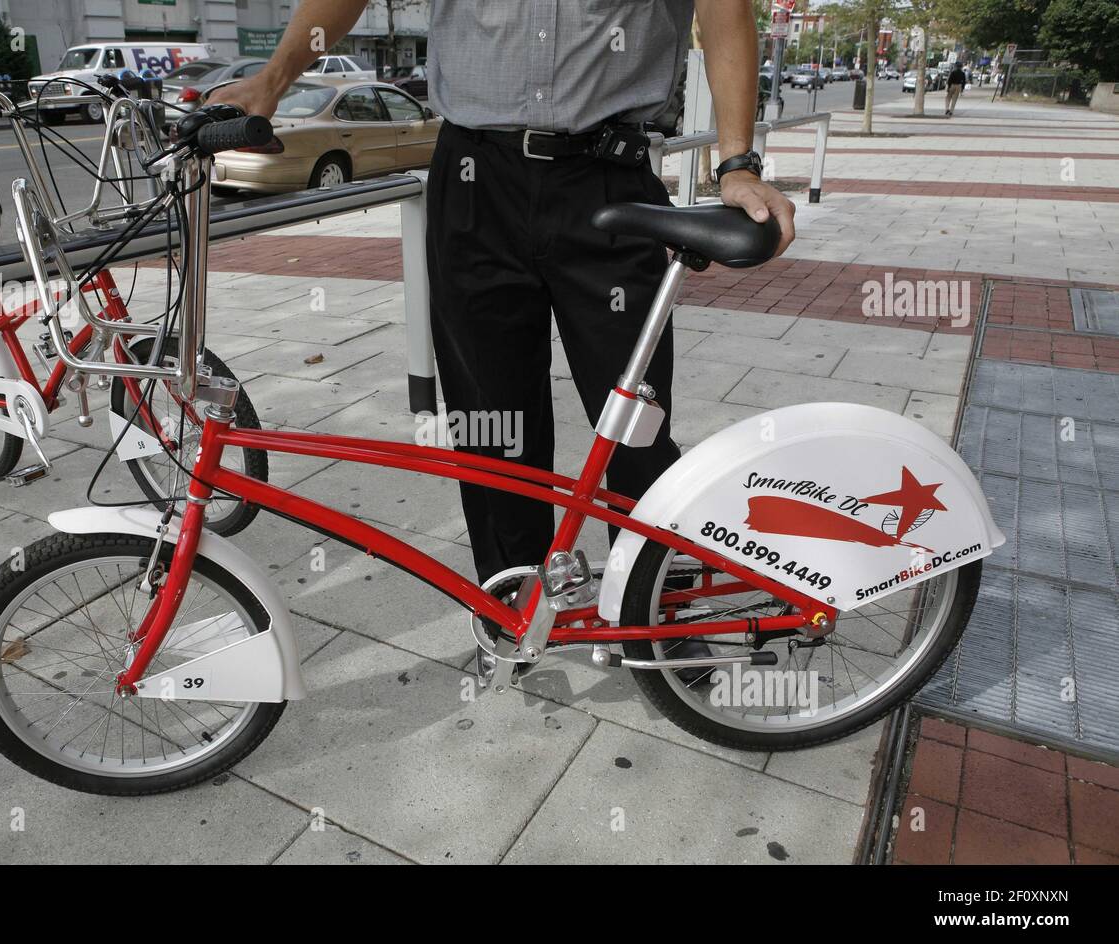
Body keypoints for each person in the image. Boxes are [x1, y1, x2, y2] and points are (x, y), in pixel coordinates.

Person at [212, 0, 795, 585]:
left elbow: (724, 9)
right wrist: (272, 81)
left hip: (610, 180)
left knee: (635, 423)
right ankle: (515, 597)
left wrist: (736, 163)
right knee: (492, 418)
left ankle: (654, 609)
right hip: (473, 179)